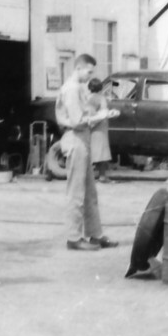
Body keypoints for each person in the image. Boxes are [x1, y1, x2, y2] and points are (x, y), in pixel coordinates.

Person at [57, 54, 117, 251]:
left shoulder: (78, 88)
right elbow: (77, 120)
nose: (91, 76)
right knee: (77, 191)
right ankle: (74, 237)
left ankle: (94, 234)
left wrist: (103, 114)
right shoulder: (72, 89)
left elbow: (85, 115)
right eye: (89, 72)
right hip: (75, 138)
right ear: (79, 68)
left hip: (83, 138)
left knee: (90, 192)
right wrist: (102, 114)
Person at [90, 77, 115, 183]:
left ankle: (89, 176)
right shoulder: (101, 98)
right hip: (100, 127)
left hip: (91, 126)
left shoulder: (88, 97)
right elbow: (104, 112)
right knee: (102, 153)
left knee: (92, 152)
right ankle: (102, 176)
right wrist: (111, 113)